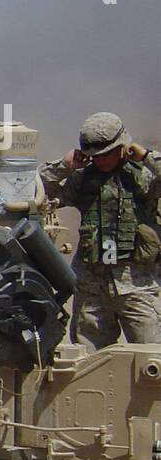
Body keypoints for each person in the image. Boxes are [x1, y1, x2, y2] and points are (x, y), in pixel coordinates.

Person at [39, 113, 161, 349]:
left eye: (107, 154)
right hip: (92, 288)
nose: (102, 161)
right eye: (96, 156)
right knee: (87, 362)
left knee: (151, 362)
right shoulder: (81, 180)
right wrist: (64, 166)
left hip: (137, 286)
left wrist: (146, 156)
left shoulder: (143, 176)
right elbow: (36, 192)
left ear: (123, 147)